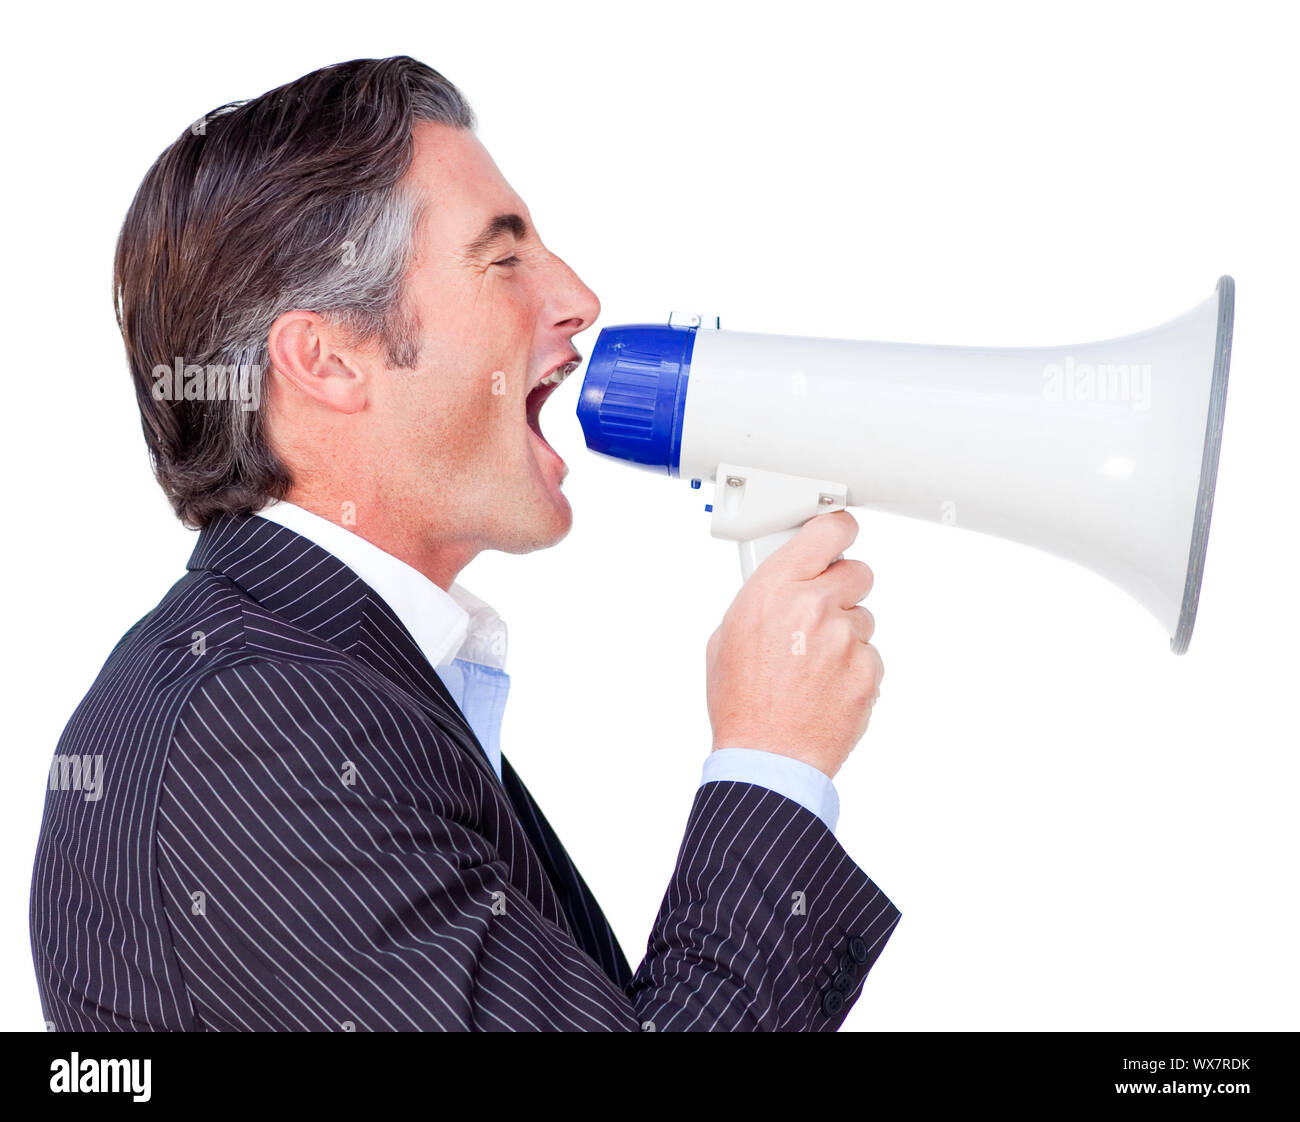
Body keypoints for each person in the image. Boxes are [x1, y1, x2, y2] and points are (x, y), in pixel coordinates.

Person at [30, 56, 897, 1031]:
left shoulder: (336, 684)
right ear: (328, 359)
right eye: (504, 257)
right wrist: (770, 758)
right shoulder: (255, 728)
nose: (579, 299)